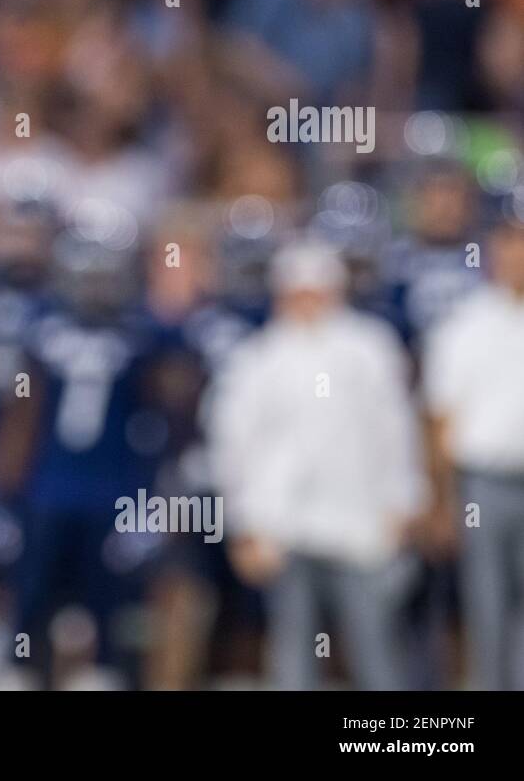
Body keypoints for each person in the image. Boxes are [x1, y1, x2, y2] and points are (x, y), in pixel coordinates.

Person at [207, 238, 428, 689]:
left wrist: (404, 498)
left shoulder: (369, 347)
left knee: (374, 643)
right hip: (285, 526)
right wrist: (243, 523)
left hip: (359, 522)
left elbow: (395, 429)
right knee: (293, 647)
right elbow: (232, 445)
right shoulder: (257, 359)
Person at [423, 212, 524, 689]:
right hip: (483, 483)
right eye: (508, 242)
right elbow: (440, 418)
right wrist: (443, 500)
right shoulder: (465, 323)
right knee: (486, 606)